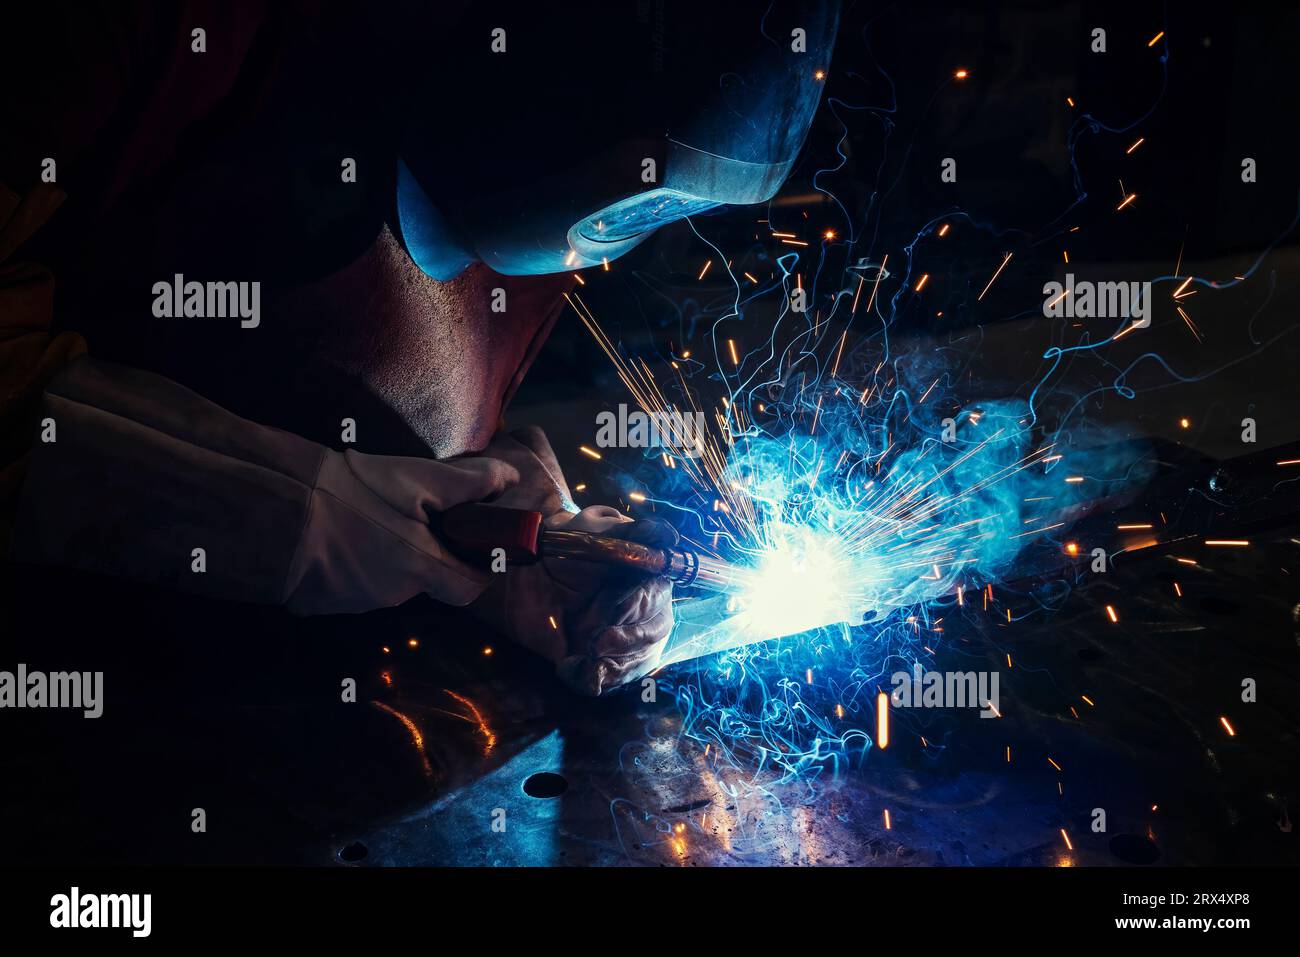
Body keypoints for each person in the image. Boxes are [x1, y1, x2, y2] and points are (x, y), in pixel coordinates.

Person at [0, 1, 837, 694]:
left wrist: (521, 550)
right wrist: (271, 510)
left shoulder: (567, 192)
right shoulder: (157, 34)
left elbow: (396, 400)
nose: (612, 236)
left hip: (287, 715)